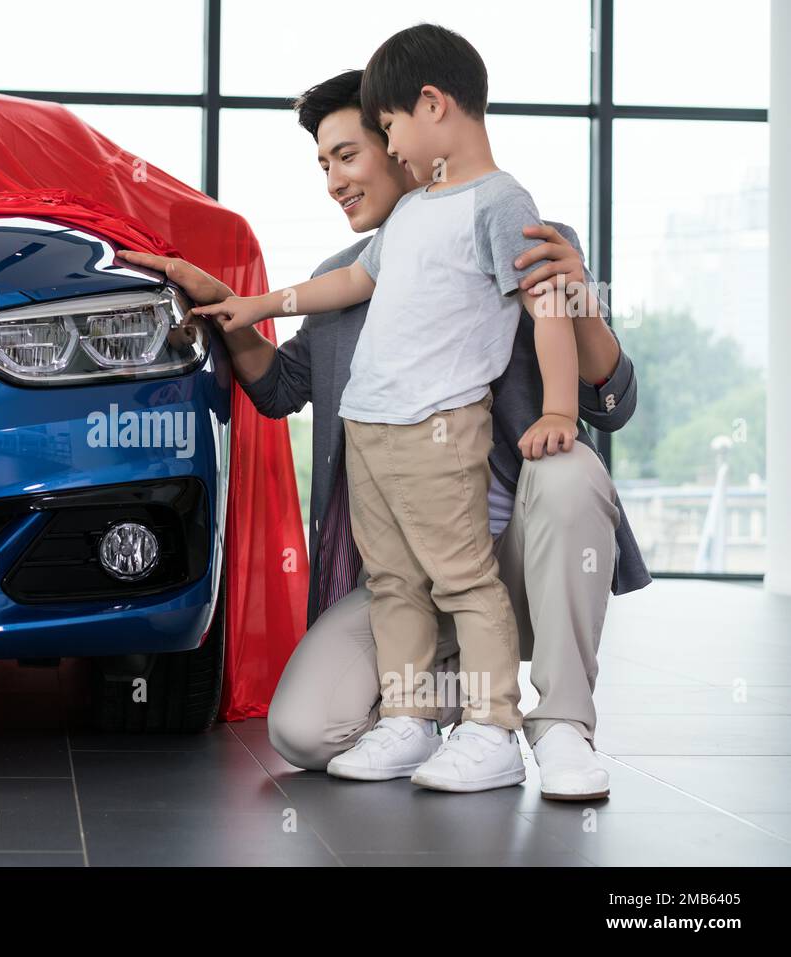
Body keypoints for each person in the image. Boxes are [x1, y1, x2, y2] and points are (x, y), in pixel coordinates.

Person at [118, 58, 650, 800]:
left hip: (518, 550)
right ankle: (444, 705)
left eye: (349, 154)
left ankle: (559, 725)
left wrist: (579, 295)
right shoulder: (351, 273)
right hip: (407, 565)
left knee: (568, 473)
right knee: (305, 729)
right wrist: (230, 304)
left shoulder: (522, 231)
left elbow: (613, 403)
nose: (333, 181)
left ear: (406, 141)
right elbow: (278, 388)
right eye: (322, 164)